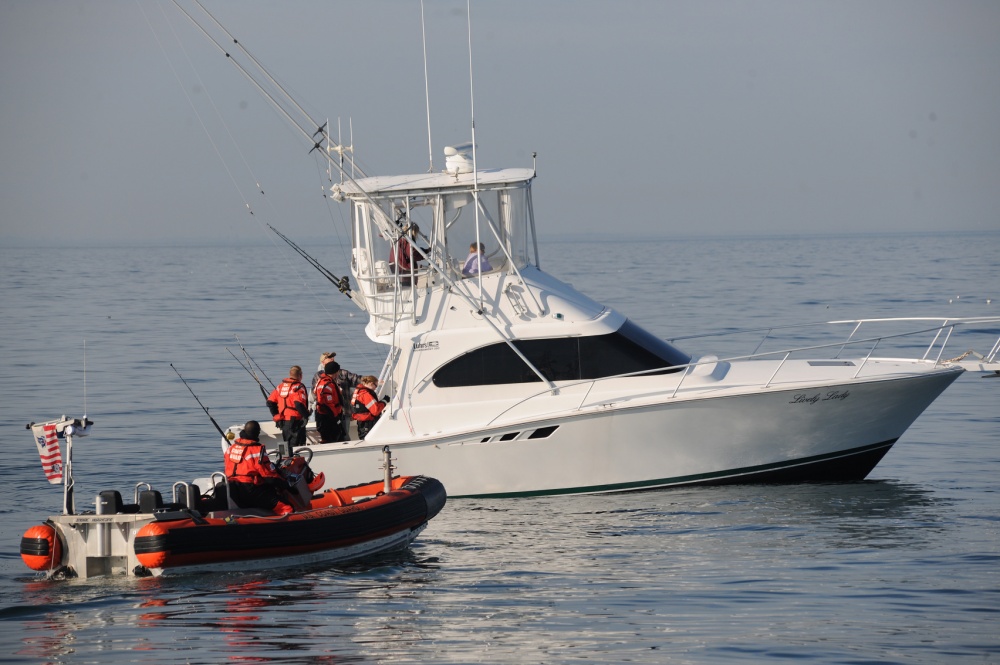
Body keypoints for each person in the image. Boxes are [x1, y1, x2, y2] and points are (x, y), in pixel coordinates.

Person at [224, 420, 295, 515]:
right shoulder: (257, 451)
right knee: (287, 507)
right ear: (257, 433)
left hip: (232, 488)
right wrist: (287, 485)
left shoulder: (231, 448)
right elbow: (269, 477)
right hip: (250, 491)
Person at [266, 365, 309, 454]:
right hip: (296, 422)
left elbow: (270, 402)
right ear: (300, 375)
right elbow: (298, 404)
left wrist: (276, 415)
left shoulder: (280, 387)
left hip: (284, 422)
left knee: (287, 446)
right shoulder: (298, 387)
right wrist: (306, 416)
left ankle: (286, 462)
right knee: (297, 448)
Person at [314, 360, 346, 443]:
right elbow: (328, 404)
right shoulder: (327, 384)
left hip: (326, 416)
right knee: (333, 439)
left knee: (336, 438)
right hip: (329, 418)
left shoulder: (321, 381)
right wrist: (336, 418)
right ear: (335, 372)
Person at [351, 375, 386, 440]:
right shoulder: (366, 394)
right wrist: (384, 402)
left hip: (362, 422)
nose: (375, 388)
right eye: (375, 386)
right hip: (368, 424)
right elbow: (376, 411)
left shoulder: (359, 392)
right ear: (371, 383)